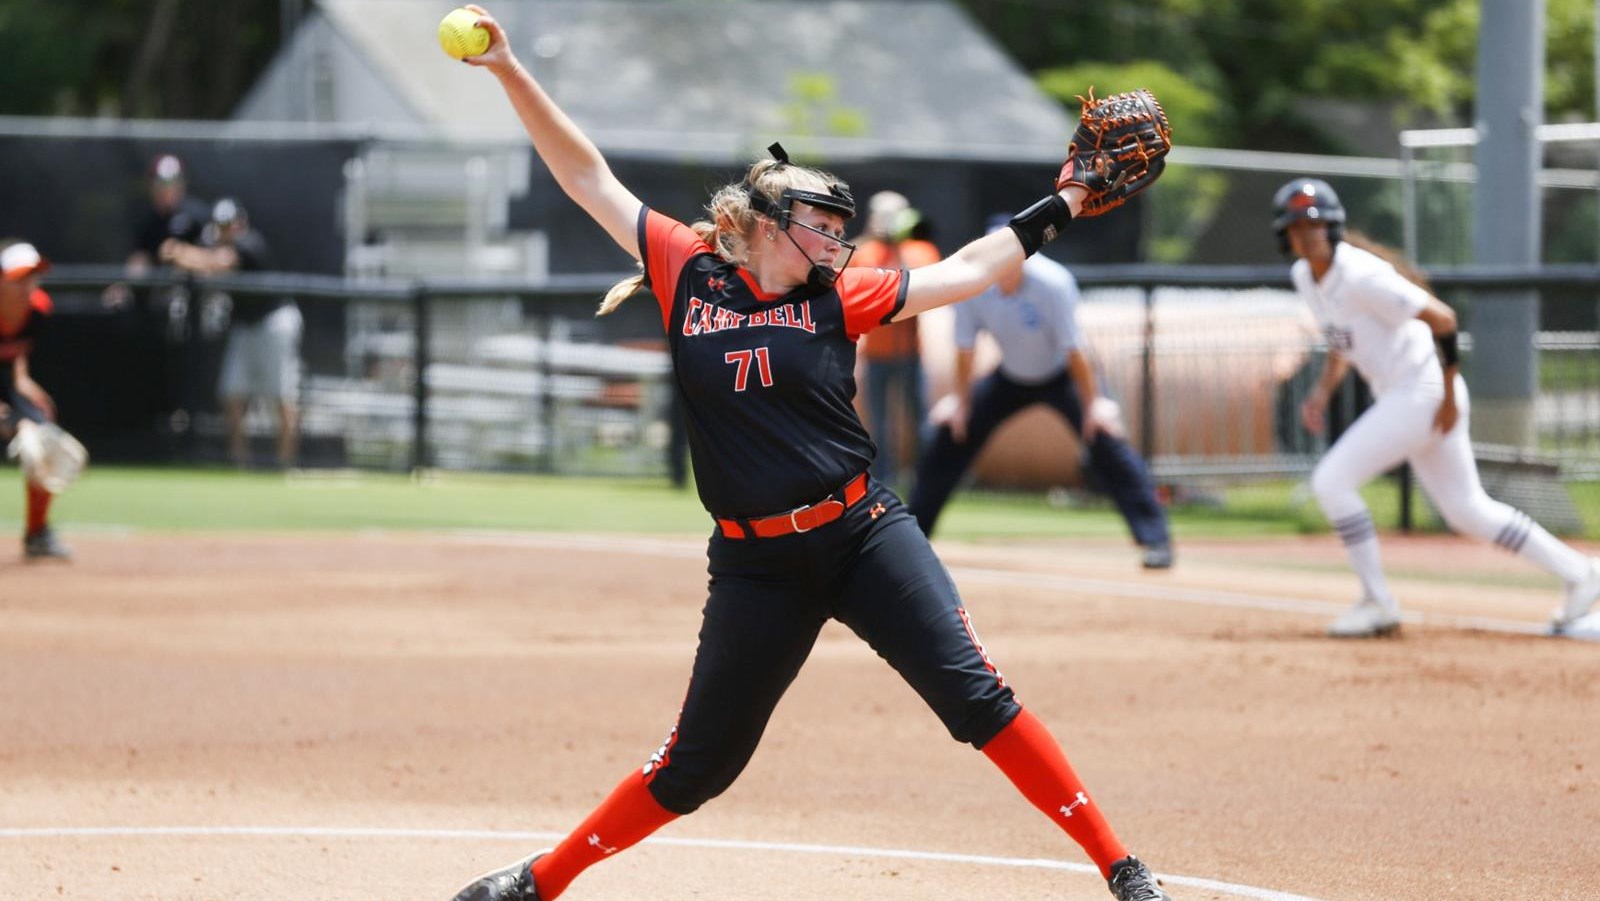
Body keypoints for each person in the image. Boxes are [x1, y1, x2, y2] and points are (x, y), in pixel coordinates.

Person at [445, 7, 1174, 901]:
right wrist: (511, 69)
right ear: (761, 223)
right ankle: (536, 883)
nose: (837, 238)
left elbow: (975, 268)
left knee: (977, 698)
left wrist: (1064, 198)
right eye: (820, 224)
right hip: (756, 566)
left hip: (864, 533)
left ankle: (1121, 867)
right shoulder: (688, 269)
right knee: (693, 768)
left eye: (840, 225)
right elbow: (584, 175)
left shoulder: (847, 295)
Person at [1275, 177, 1600, 639]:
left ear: (1334, 228)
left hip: (1423, 390)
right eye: (1298, 228)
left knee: (1332, 480)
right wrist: (1322, 391)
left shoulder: (1361, 274)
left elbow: (1444, 319)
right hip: (1407, 395)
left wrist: (1447, 397)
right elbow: (1339, 342)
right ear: (1284, 236)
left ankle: (1377, 601)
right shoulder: (1306, 277)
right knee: (1467, 511)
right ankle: (1580, 572)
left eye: (1317, 225)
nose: (1308, 234)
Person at [908, 216, 1173, 569]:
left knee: (1108, 443)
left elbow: (1075, 351)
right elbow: (965, 348)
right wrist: (959, 400)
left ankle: (1155, 540)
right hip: (1010, 378)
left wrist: (1095, 405)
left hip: (1062, 376)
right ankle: (910, 541)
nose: (1000, 266)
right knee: (948, 437)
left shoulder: (1053, 283)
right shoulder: (972, 283)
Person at [162, 198, 303, 468]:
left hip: (273, 323)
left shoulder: (250, 243)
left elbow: (217, 262)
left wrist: (179, 252)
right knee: (231, 394)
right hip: (244, 326)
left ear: (242, 223)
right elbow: (207, 262)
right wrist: (186, 256)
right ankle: (240, 465)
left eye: (231, 225)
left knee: (281, 396)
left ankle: (286, 466)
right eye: (222, 226)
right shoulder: (216, 246)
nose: (228, 230)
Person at [851, 191, 941, 491]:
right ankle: (883, 481)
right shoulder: (865, 252)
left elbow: (930, 285)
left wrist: (901, 248)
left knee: (920, 420)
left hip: (911, 352)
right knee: (879, 423)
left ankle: (925, 478)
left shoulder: (920, 250)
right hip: (876, 353)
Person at [0, 241, 72, 560]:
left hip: (5, 382)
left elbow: (17, 351)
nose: (28, 285)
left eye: (34, 277)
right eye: (20, 278)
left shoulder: (39, 309)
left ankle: (37, 534)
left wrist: (22, 382)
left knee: (44, 440)